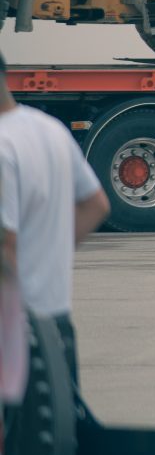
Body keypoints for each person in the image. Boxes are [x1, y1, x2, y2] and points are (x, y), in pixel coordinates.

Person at [0, 50, 110, 384]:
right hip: (57, 322)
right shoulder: (51, 130)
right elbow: (97, 205)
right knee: (61, 430)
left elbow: (5, 248)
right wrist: (50, 253)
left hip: (17, 331)